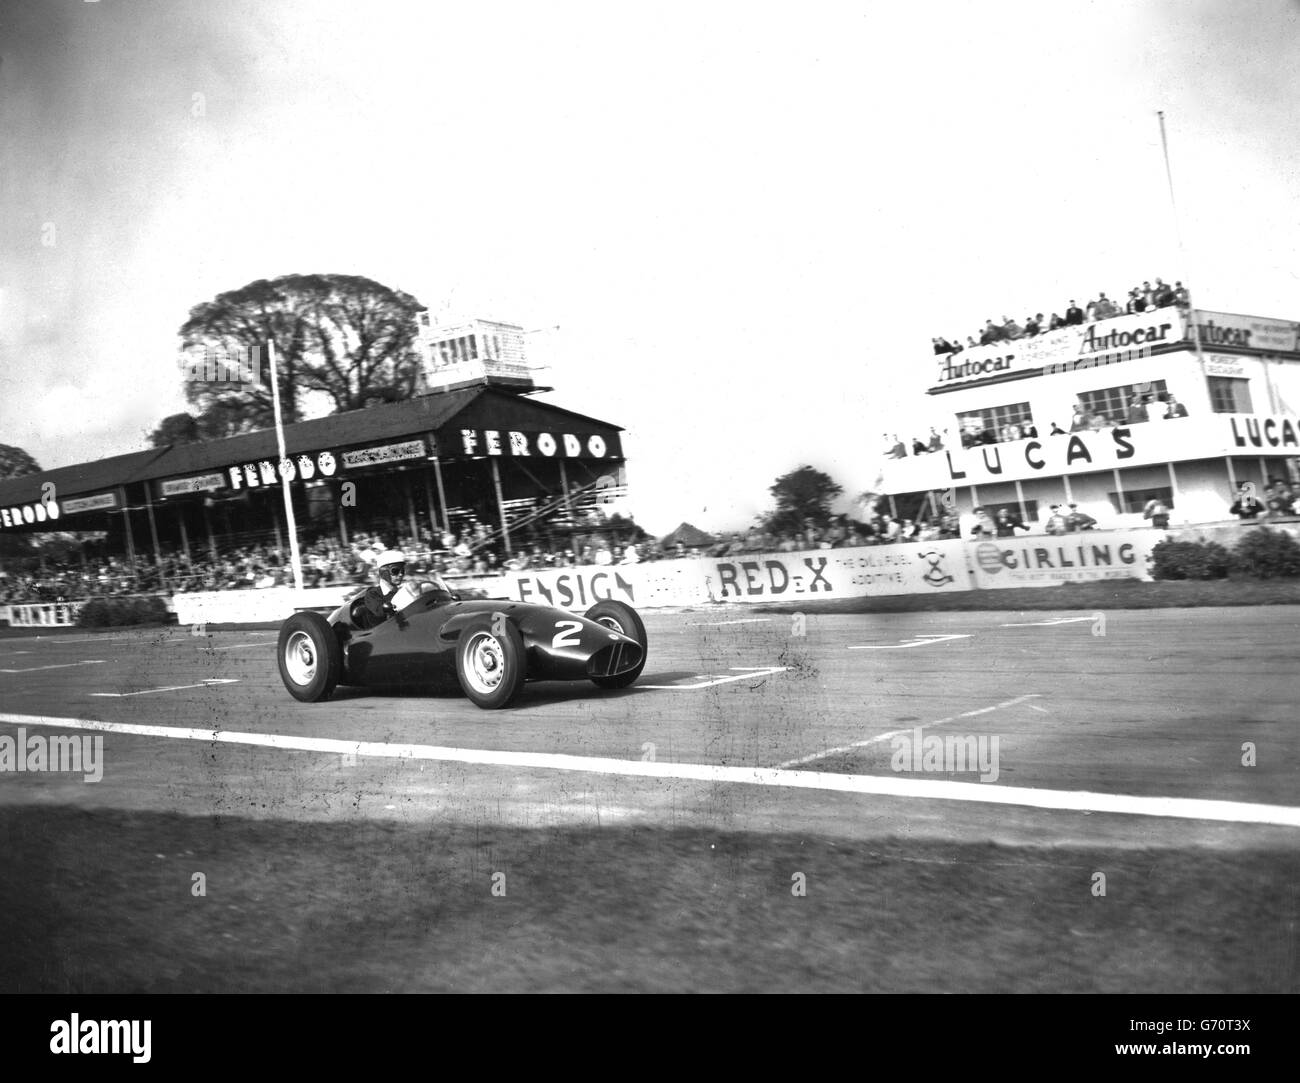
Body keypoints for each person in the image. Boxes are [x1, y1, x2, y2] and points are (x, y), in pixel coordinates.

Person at [354, 550, 408, 629]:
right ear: (384, 572)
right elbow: (380, 611)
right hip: (383, 635)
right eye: (395, 571)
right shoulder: (372, 594)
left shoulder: (403, 591)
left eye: (402, 571)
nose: (400, 574)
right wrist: (389, 608)